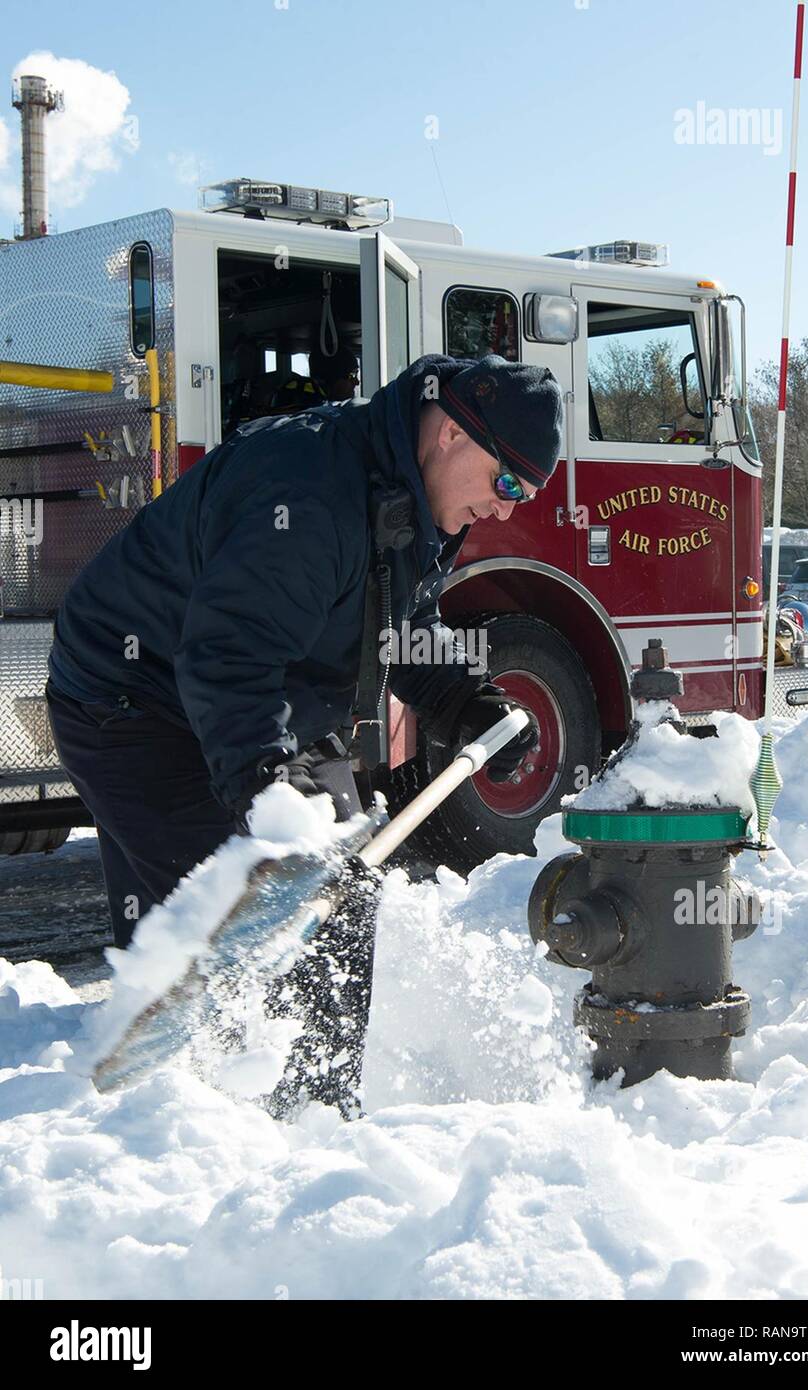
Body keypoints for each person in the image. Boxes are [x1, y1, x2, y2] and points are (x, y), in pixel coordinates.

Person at [45, 352, 563, 1116]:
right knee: (251, 926)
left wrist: (462, 701)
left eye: (526, 492)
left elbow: (398, 620)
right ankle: (200, 1134)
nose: (508, 508)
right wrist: (266, 791)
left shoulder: (410, 495)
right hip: (135, 704)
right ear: (452, 434)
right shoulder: (309, 490)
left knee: (338, 900)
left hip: (266, 701)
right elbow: (229, 657)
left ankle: (313, 1119)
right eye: (507, 482)